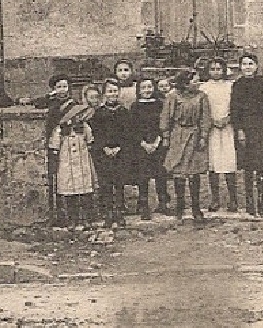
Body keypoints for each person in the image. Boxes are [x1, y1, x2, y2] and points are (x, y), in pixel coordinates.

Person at [160, 69, 211, 223]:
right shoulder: (173, 96)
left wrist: (203, 136)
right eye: (194, 80)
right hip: (178, 135)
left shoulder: (202, 97)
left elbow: (205, 117)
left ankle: (196, 207)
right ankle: (180, 206)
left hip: (195, 136)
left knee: (194, 172)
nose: (197, 83)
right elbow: (166, 117)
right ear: (185, 83)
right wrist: (166, 136)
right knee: (179, 171)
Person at [231, 53, 263, 215]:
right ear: (240, 67)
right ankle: (250, 203)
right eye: (244, 64)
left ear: (256, 66)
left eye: (250, 64)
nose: (247, 67)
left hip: (260, 129)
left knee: (262, 166)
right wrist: (239, 131)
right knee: (248, 167)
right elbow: (235, 110)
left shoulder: (262, 84)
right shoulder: (237, 85)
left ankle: (262, 201)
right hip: (245, 130)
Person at [51, 83, 100, 230]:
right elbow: (54, 144)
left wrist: (89, 147)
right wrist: (55, 153)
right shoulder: (61, 130)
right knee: (70, 192)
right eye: (75, 116)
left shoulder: (84, 127)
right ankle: (72, 219)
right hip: (66, 162)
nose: (77, 118)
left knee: (84, 191)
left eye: (80, 115)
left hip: (82, 160)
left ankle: (86, 219)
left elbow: (90, 140)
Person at [28, 75, 73, 225]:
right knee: (55, 178)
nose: (62, 90)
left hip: (68, 142)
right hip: (54, 142)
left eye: (65, 86)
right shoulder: (51, 102)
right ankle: (57, 214)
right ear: (54, 89)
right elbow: (37, 103)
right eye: (59, 87)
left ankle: (69, 214)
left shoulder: (73, 103)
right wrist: (50, 96)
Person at [90, 78, 134, 228]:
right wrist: (104, 147)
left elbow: (128, 133)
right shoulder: (98, 114)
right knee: (106, 184)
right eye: (109, 91)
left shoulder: (124, 112)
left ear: (119, 92)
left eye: (115, 91)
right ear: (104, 94)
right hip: (104, 153)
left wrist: (119, 147)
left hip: (120, 152)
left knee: (119, 183)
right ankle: (108, 213)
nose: (113, 94)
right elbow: (95, 134)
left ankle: (119, 212)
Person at [199, 58, 239, 212]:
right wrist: (212, 121)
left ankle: (233, 199)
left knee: (229, 163)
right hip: (211, 129)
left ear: (224, 70)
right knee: (213, 165)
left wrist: (228, 118)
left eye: (219, 68)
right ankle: (215, 199)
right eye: (213, 69)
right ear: (208, 71)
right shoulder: (204, 88)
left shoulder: (230, 86)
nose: (216, 72)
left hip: (227, 128)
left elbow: (235, 106)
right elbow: (202, 108)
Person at [129, 77, 170, 218]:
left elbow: (163, 123)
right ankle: (144, 205)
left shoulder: (160, 104)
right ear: (139, 90)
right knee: (143, 176)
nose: (147, 90)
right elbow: (132, 128)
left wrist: (157, 142)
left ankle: (163, 203)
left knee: (160, 174)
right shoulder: (135, 106)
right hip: (141, 146)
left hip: (157, 144)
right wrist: (144, 144)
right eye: (144, 88)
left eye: (149, 87)